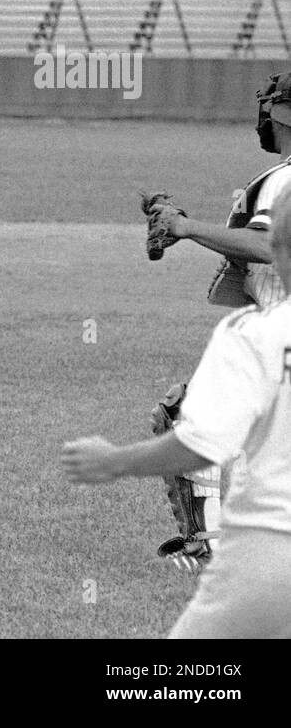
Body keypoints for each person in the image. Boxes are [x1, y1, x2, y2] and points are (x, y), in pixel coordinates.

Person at [61, 185, 291, 638]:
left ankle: (202, 539)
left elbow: (200, 444)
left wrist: (113, 461)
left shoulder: (252, 333)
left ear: (278, 252)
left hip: (270, 551)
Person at [142, 70, 291, 569]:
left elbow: (264, 246)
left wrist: (183, 227)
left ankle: (208, 543)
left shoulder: (283, 178)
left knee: (186, 416)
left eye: (271, 105)